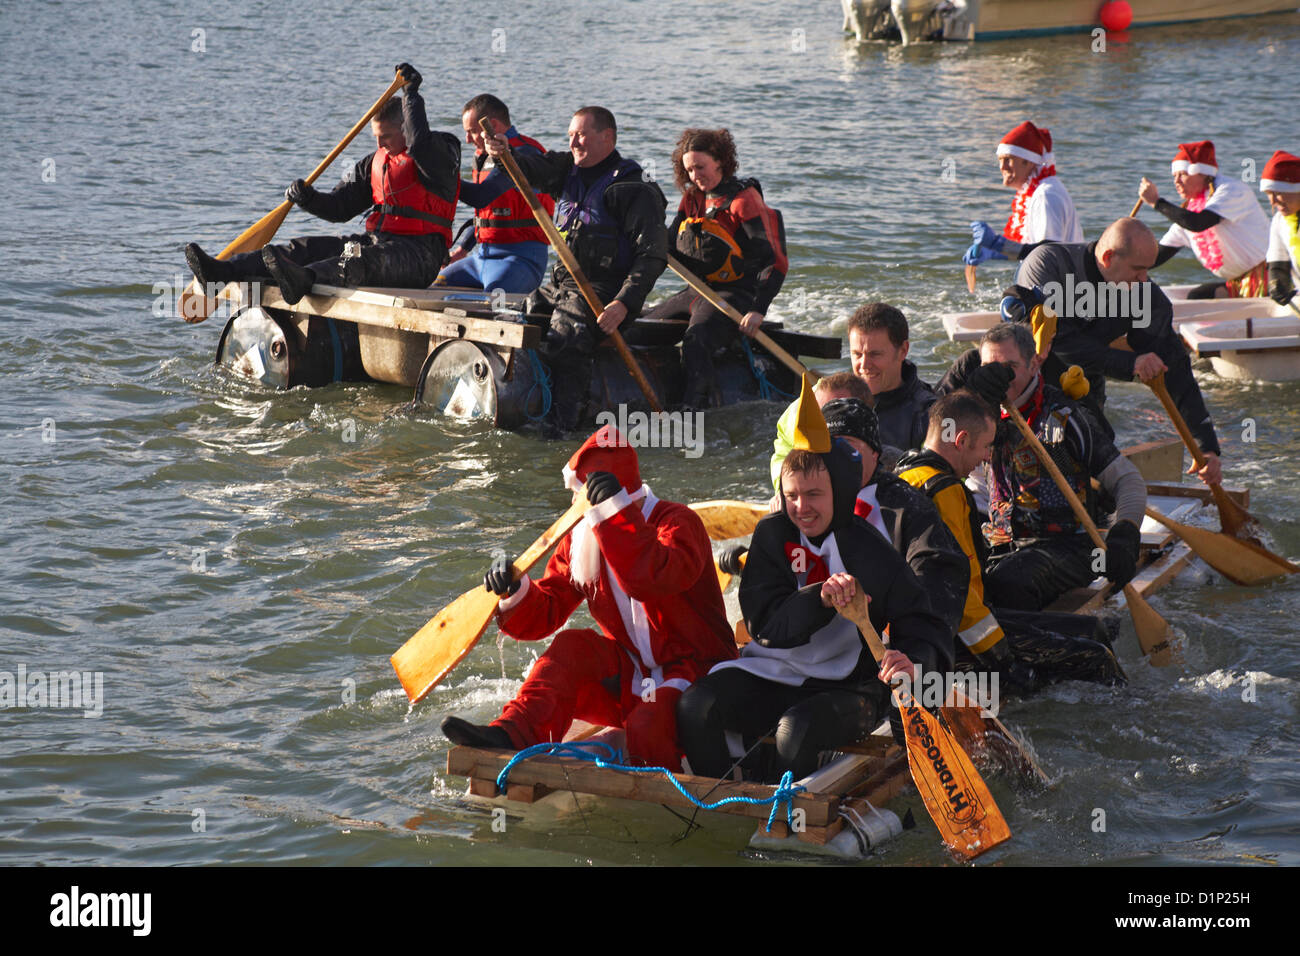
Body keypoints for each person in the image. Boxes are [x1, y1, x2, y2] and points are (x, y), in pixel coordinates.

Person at [676, 399, 951, 783]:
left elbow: (925, 625)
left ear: (838, 492)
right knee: (695, 705)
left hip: (848, 685)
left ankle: (783, 815)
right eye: (792, 496)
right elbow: (762, 624)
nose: (801, 508)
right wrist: (819, 598)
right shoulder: (772, 535)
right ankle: (723, 801)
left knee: (795, 728)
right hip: (773, 671)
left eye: (814, 495)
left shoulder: (872, 550)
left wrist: (913, 663)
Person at [441, 425, 736, 768]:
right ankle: (511, 733)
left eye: (579, 493)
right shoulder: (583, 539)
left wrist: (616, 516)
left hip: (698, 671)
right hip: (633, 673)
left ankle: (669, 795)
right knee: (570, 649)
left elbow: (650, 579)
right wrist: (514, 591)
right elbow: (548, 609)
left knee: (646, 726)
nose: (572, 505)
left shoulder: (679, 523)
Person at [896, 391, 1124, 687]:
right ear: (961, 440)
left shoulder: (902, 476)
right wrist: (1001, 656)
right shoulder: (945, 492)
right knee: (1095, 654)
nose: (985, 458)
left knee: (1093, 629)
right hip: (958, 635)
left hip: (929, 629)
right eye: (985, 447)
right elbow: (956, 590)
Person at [184, 64, 461, 306]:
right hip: (377, 243)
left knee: (361, 261)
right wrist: (309, 198)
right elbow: (340, 208)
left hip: (420, 256)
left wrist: (411, 94)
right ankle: (223, 272)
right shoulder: (373, 162)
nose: (379, 144)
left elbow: (419, 143)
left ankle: (305, 279)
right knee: (305, 249)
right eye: (376, 137)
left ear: (405, 127)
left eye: (386, 136)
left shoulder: (442, 151)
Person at [483, 107, 668, 432]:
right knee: (522, 317)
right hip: (563, 283)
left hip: (604, 290)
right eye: (570, 135)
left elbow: (652, 256)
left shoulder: (633, 186)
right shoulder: (566, 169)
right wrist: (503, 153)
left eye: (580, 135)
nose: (573, 143)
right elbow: (527, 168)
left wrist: (623, 302)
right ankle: (524, 404)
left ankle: (564, 426)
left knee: (567, 337)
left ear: (607, 137)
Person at [1004, 216, 1224, 486]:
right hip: (1028, 388)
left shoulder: (1141, 293)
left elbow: (1175, 367)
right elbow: (1060, 342)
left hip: (1086, 386)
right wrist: (1131, 363)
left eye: (1148, 271)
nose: (1144, 280)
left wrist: (1206, 444)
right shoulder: (1048, 264)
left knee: (1094, 466)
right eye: (1137, 270)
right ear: (1108, 258)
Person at [944, 324, 1147, 612]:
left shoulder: (1067, 416)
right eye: (990, 367)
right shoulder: (978, 416)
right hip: (1000, 541)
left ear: (1034, 363)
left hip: (1072, 548)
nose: (1000, 377)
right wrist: (970, 397)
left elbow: (1128, 479)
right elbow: (939, 441)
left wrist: (1125, 532)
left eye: (1010, 366)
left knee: (1008, 581)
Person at [643, 128, 788, 409]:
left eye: (700, 167)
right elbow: (670, 246)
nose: (695, 175)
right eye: (689, 170)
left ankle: (694, 408)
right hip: (697, 291)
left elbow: (775, 262)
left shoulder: (744, 201)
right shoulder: (692, 200)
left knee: (695, 341)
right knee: (639, 327)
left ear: (720, 161)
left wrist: (758, 309)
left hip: (736, 296)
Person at [435, 94, 552, 294]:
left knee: (494, 302)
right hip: (480, 258)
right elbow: (486, 212)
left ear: (493, 126)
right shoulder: (482, 156)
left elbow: (481, 196)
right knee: (433, 289)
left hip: (520, 259)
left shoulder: (524, 153)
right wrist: (463, 248)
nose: (467, 139)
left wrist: (438, 177)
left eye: (472, 132)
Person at [1137, 141, 1271, 299]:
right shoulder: (1190, 210)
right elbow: (1158, 256)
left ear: (1203, 173)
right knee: (1197, 296)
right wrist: (1126, 264)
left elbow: (1198, 223)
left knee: (1197, 298)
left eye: (1183, 174)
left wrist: (1156, 202)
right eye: (1174, 176)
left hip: (1271, 275)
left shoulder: (1231, 190)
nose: (1176, 181)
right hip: (1237, 282)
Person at [963, 121, 1084, 267]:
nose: (1002, 167)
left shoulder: (1046, 195)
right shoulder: (1037, 192)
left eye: (1008, 159)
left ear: (1028, 162)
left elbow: (1049, 254)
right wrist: (993, 252)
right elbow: (1033, 249)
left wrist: (998, 244)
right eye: (1000, 160)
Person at [847, 302, 937, 453]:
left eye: (875, 354)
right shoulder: (833, 399)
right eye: (857, 354)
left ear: (903, 350)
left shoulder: (931, 416)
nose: (864, 365)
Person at [1260, 150, 1300, 308]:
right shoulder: (1279, 221)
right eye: (1269, 194)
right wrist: (1277, 284)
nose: (1273, 201)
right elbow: (1278, 264)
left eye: (1278, 193)